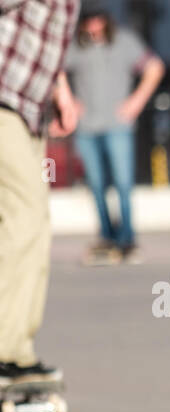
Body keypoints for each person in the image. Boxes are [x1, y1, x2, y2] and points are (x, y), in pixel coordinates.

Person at [0, 0, 80, 391]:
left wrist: (60, 89)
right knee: (24, 215)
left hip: (29, 109)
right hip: (3, 104)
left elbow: (45, 37)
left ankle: (18, 352)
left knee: (34, 223)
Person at [61, 4, 164, 265]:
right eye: (87, 21)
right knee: (96, 185)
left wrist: (135, 103)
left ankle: (127, 239)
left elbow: (154, 67)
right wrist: (69, 101)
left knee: (122, 183)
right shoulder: (76, 47)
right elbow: (56, 69)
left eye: (97, 20)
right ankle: (107, 236)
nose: (93, 26)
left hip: (118, 125)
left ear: (106, 20)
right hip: (87, 128)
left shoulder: (125, 42)